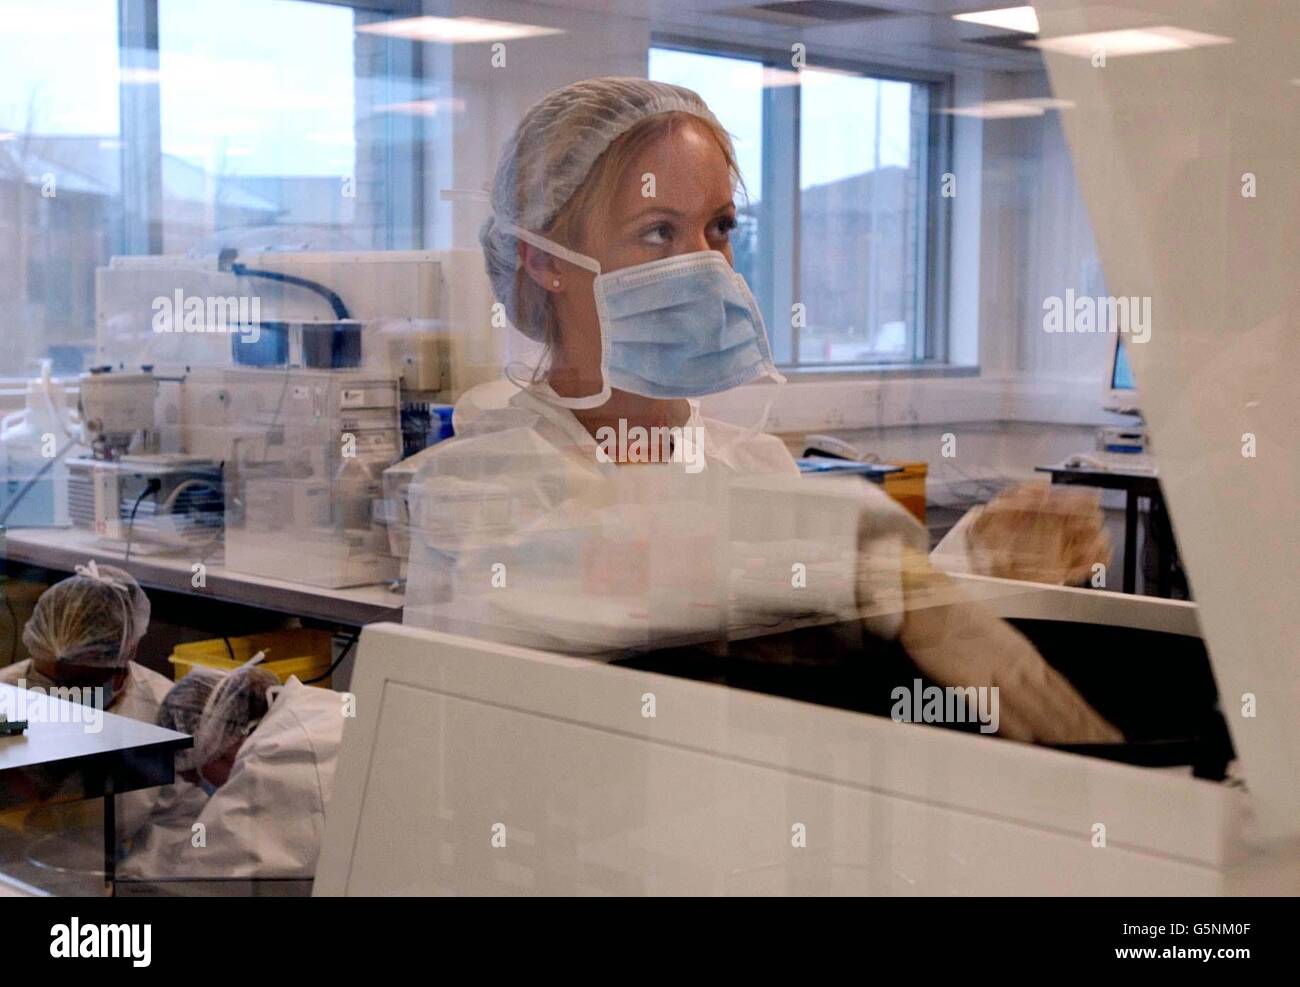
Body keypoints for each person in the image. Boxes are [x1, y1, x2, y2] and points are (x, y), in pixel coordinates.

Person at [403, 77, 1119, 745]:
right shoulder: (476, 486)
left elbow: (797, 607)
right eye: (659, 232)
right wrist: (884, 570)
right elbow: (619, 575)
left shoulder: (749, 462)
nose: (707, 264)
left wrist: (971, 567)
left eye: (718, 228)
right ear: (543, 260)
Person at [0, 561, 203, 846]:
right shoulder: (7, 695)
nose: (62, 698)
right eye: (44, 683)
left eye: (80, 687)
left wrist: (125, 881)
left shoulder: (163, 712)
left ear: (124, 656)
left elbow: (178, 828)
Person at [123, 667, 344, 879]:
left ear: (218, 744)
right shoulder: (316, 703)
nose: (198, 784)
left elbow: (207, 877)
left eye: (198, 773)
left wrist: (133, 872)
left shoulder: (267, 767)